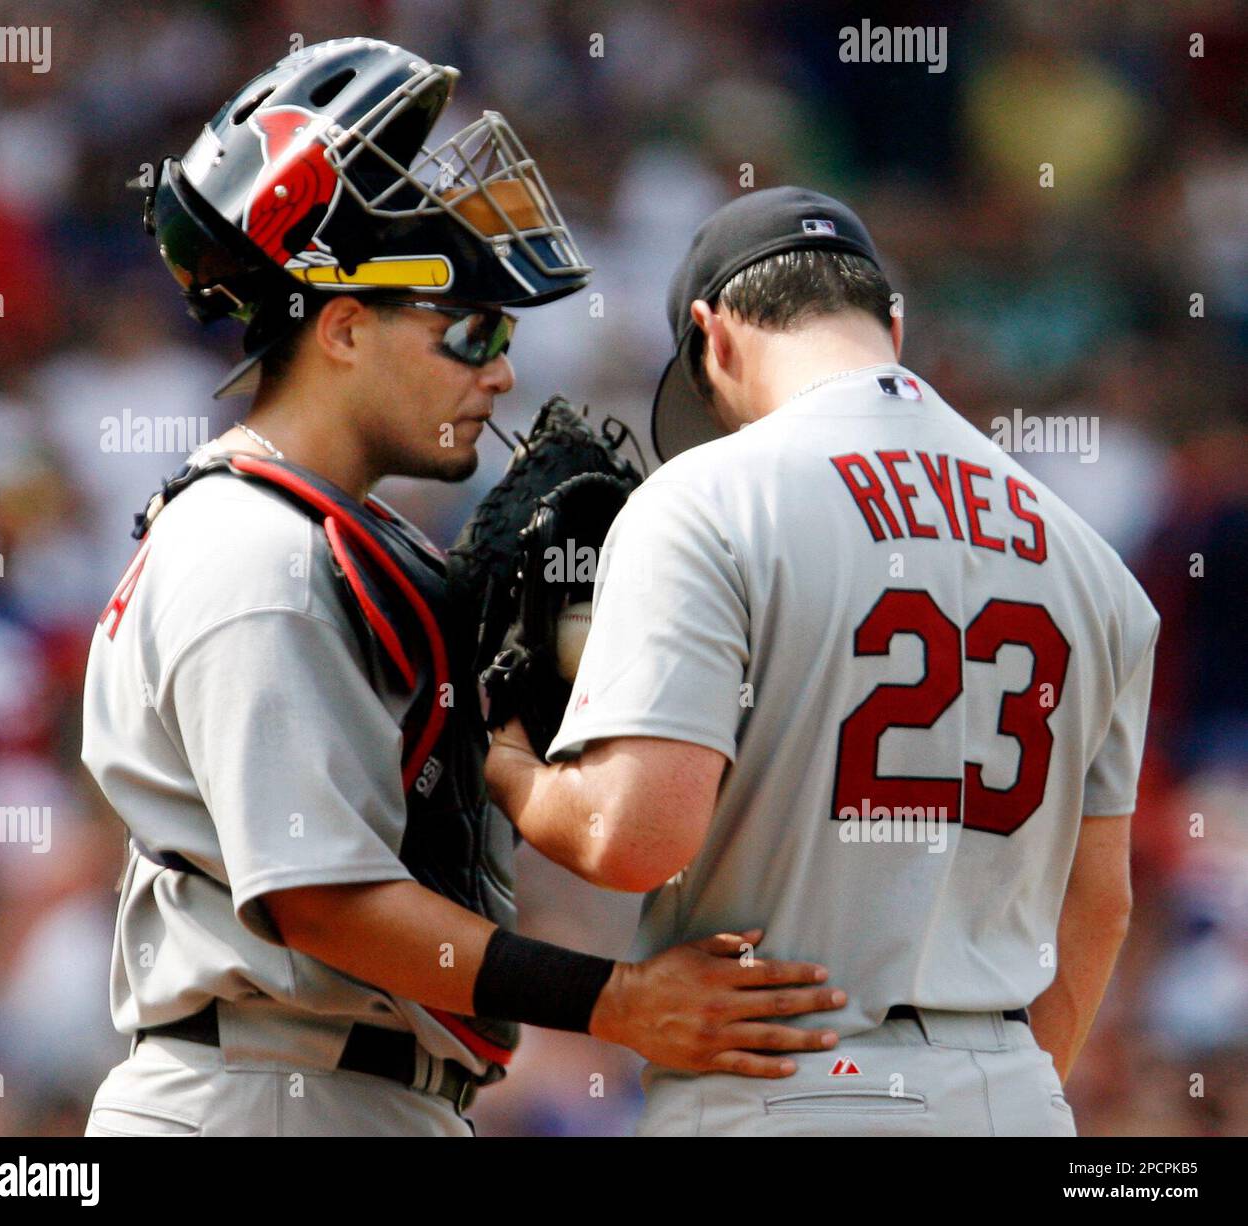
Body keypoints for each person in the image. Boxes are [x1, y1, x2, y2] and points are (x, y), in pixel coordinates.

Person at [80, 43, 843, 1139]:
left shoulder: (340, 540)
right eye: (470, 330)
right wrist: (620, 1001)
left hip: (351, 1094)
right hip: (266, 1096)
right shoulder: (255, 552)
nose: (501, 370)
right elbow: (321, 899)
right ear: (341, 327)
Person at [485, 185, 1156, 1137]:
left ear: (713, 340)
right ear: (893, 323)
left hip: (788, 1081)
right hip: (1015, 1098)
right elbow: (1102, 907)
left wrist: (504, 765)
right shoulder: (1094, 561)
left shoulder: (707, 499)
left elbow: (635, 835)